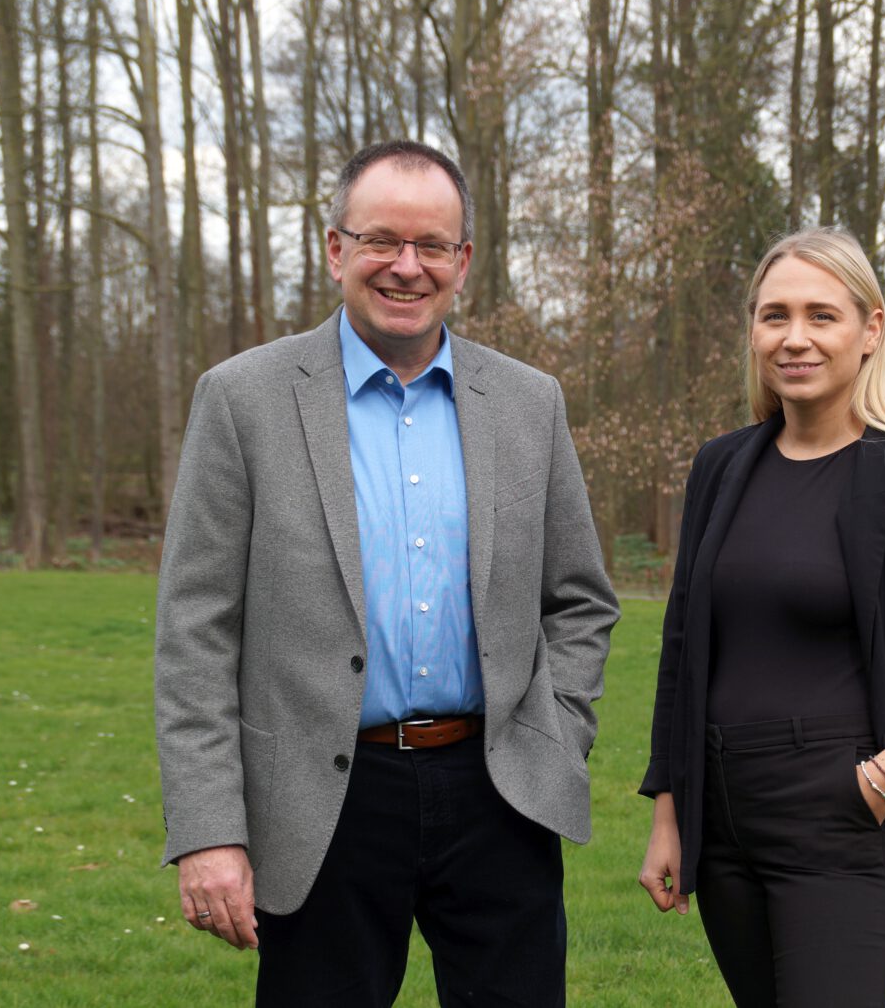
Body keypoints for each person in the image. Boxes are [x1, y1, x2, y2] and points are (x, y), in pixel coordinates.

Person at [155, 139, 619, 1007]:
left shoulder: (529, 403)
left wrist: (555, 732)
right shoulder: (243, 400)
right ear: (336, 249)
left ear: (462, 261)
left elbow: (581, 600)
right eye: (381, 241)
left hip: (498, 793)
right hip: (320, 801)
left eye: (431, 245)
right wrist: (209, 829)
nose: (407, 266)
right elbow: (195, 631)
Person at [636, 228, 885, 1007]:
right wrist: (670, 809)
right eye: (775, 316)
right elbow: (682, 650)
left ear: (870, 331)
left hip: (841, 823)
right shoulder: (721, 467)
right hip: (723, 824)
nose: (794, 338)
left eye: (821, 315)